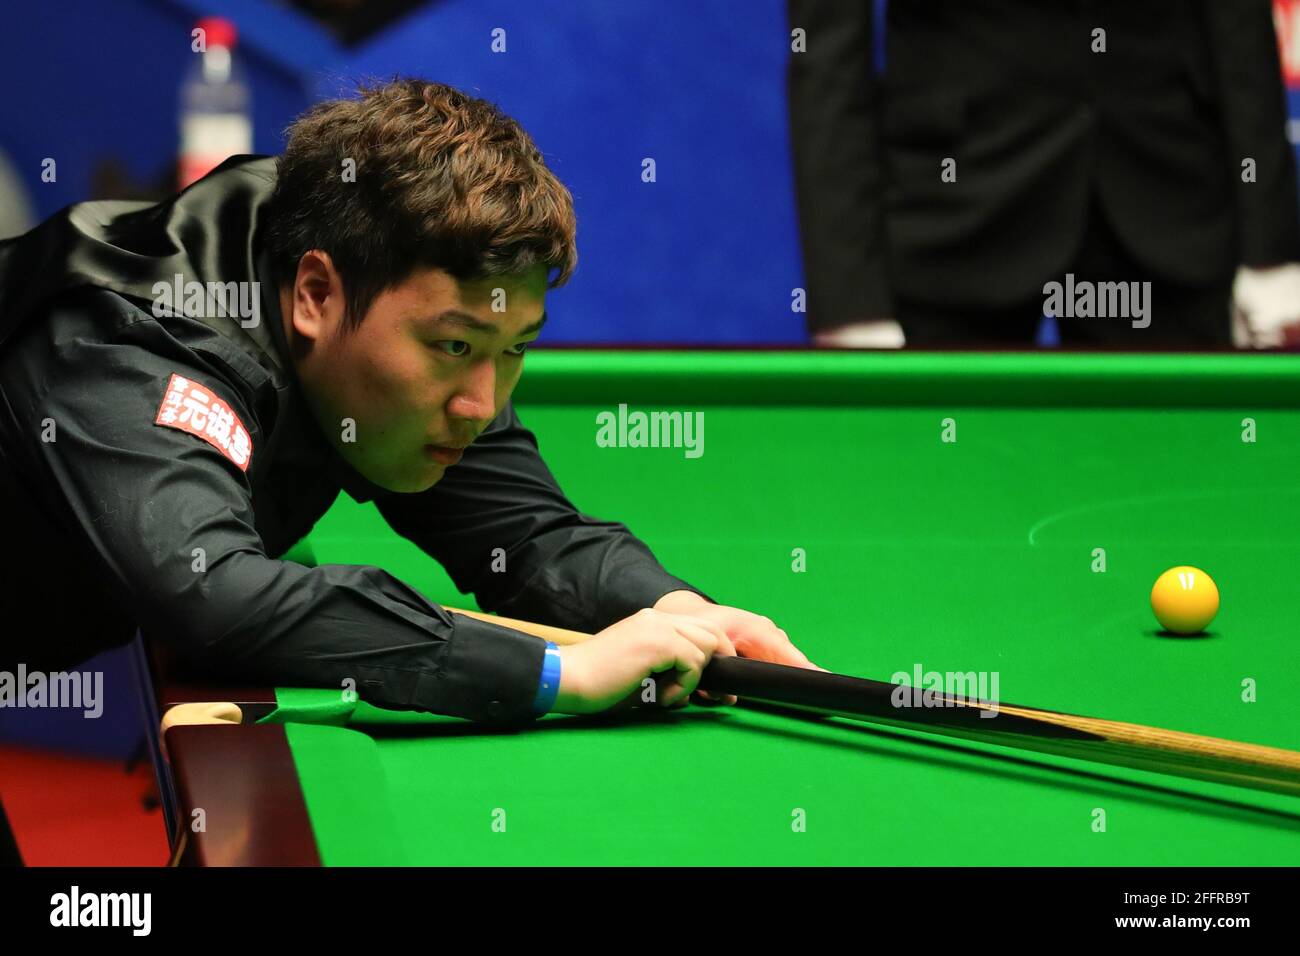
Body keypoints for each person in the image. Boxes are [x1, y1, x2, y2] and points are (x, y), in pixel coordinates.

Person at [0, 79, 820, 726]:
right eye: (455, 346)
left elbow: (530, 538)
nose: (479, 402)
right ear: (315, 294)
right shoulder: (130, 344)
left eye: (516, 350)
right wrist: (556, 675)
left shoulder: (368, 270)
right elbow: (212, 593)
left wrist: (680, 612)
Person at [788, 0, 1300, 349]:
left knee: (1186, 497)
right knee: (927, 493)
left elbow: (1239, 14)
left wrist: (1272, 249)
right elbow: (823, 39)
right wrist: (848, 301)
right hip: (949, 208)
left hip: (1169, 193)